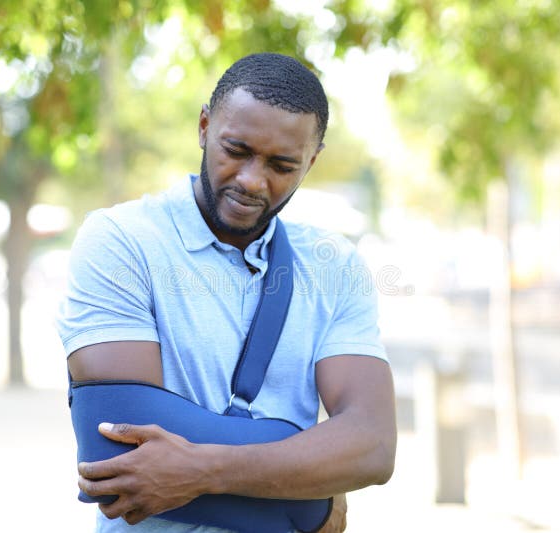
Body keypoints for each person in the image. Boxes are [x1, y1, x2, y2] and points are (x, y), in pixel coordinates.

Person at [56, 52, 397, 533]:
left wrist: (200, 470)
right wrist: (307, 498)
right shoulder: (121, 240)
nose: (252, 180)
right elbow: (115, 451)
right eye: (236, 150)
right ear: (202, 127)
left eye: (282, 164)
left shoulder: (334, 264)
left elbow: (372, 446)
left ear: (311, 161)